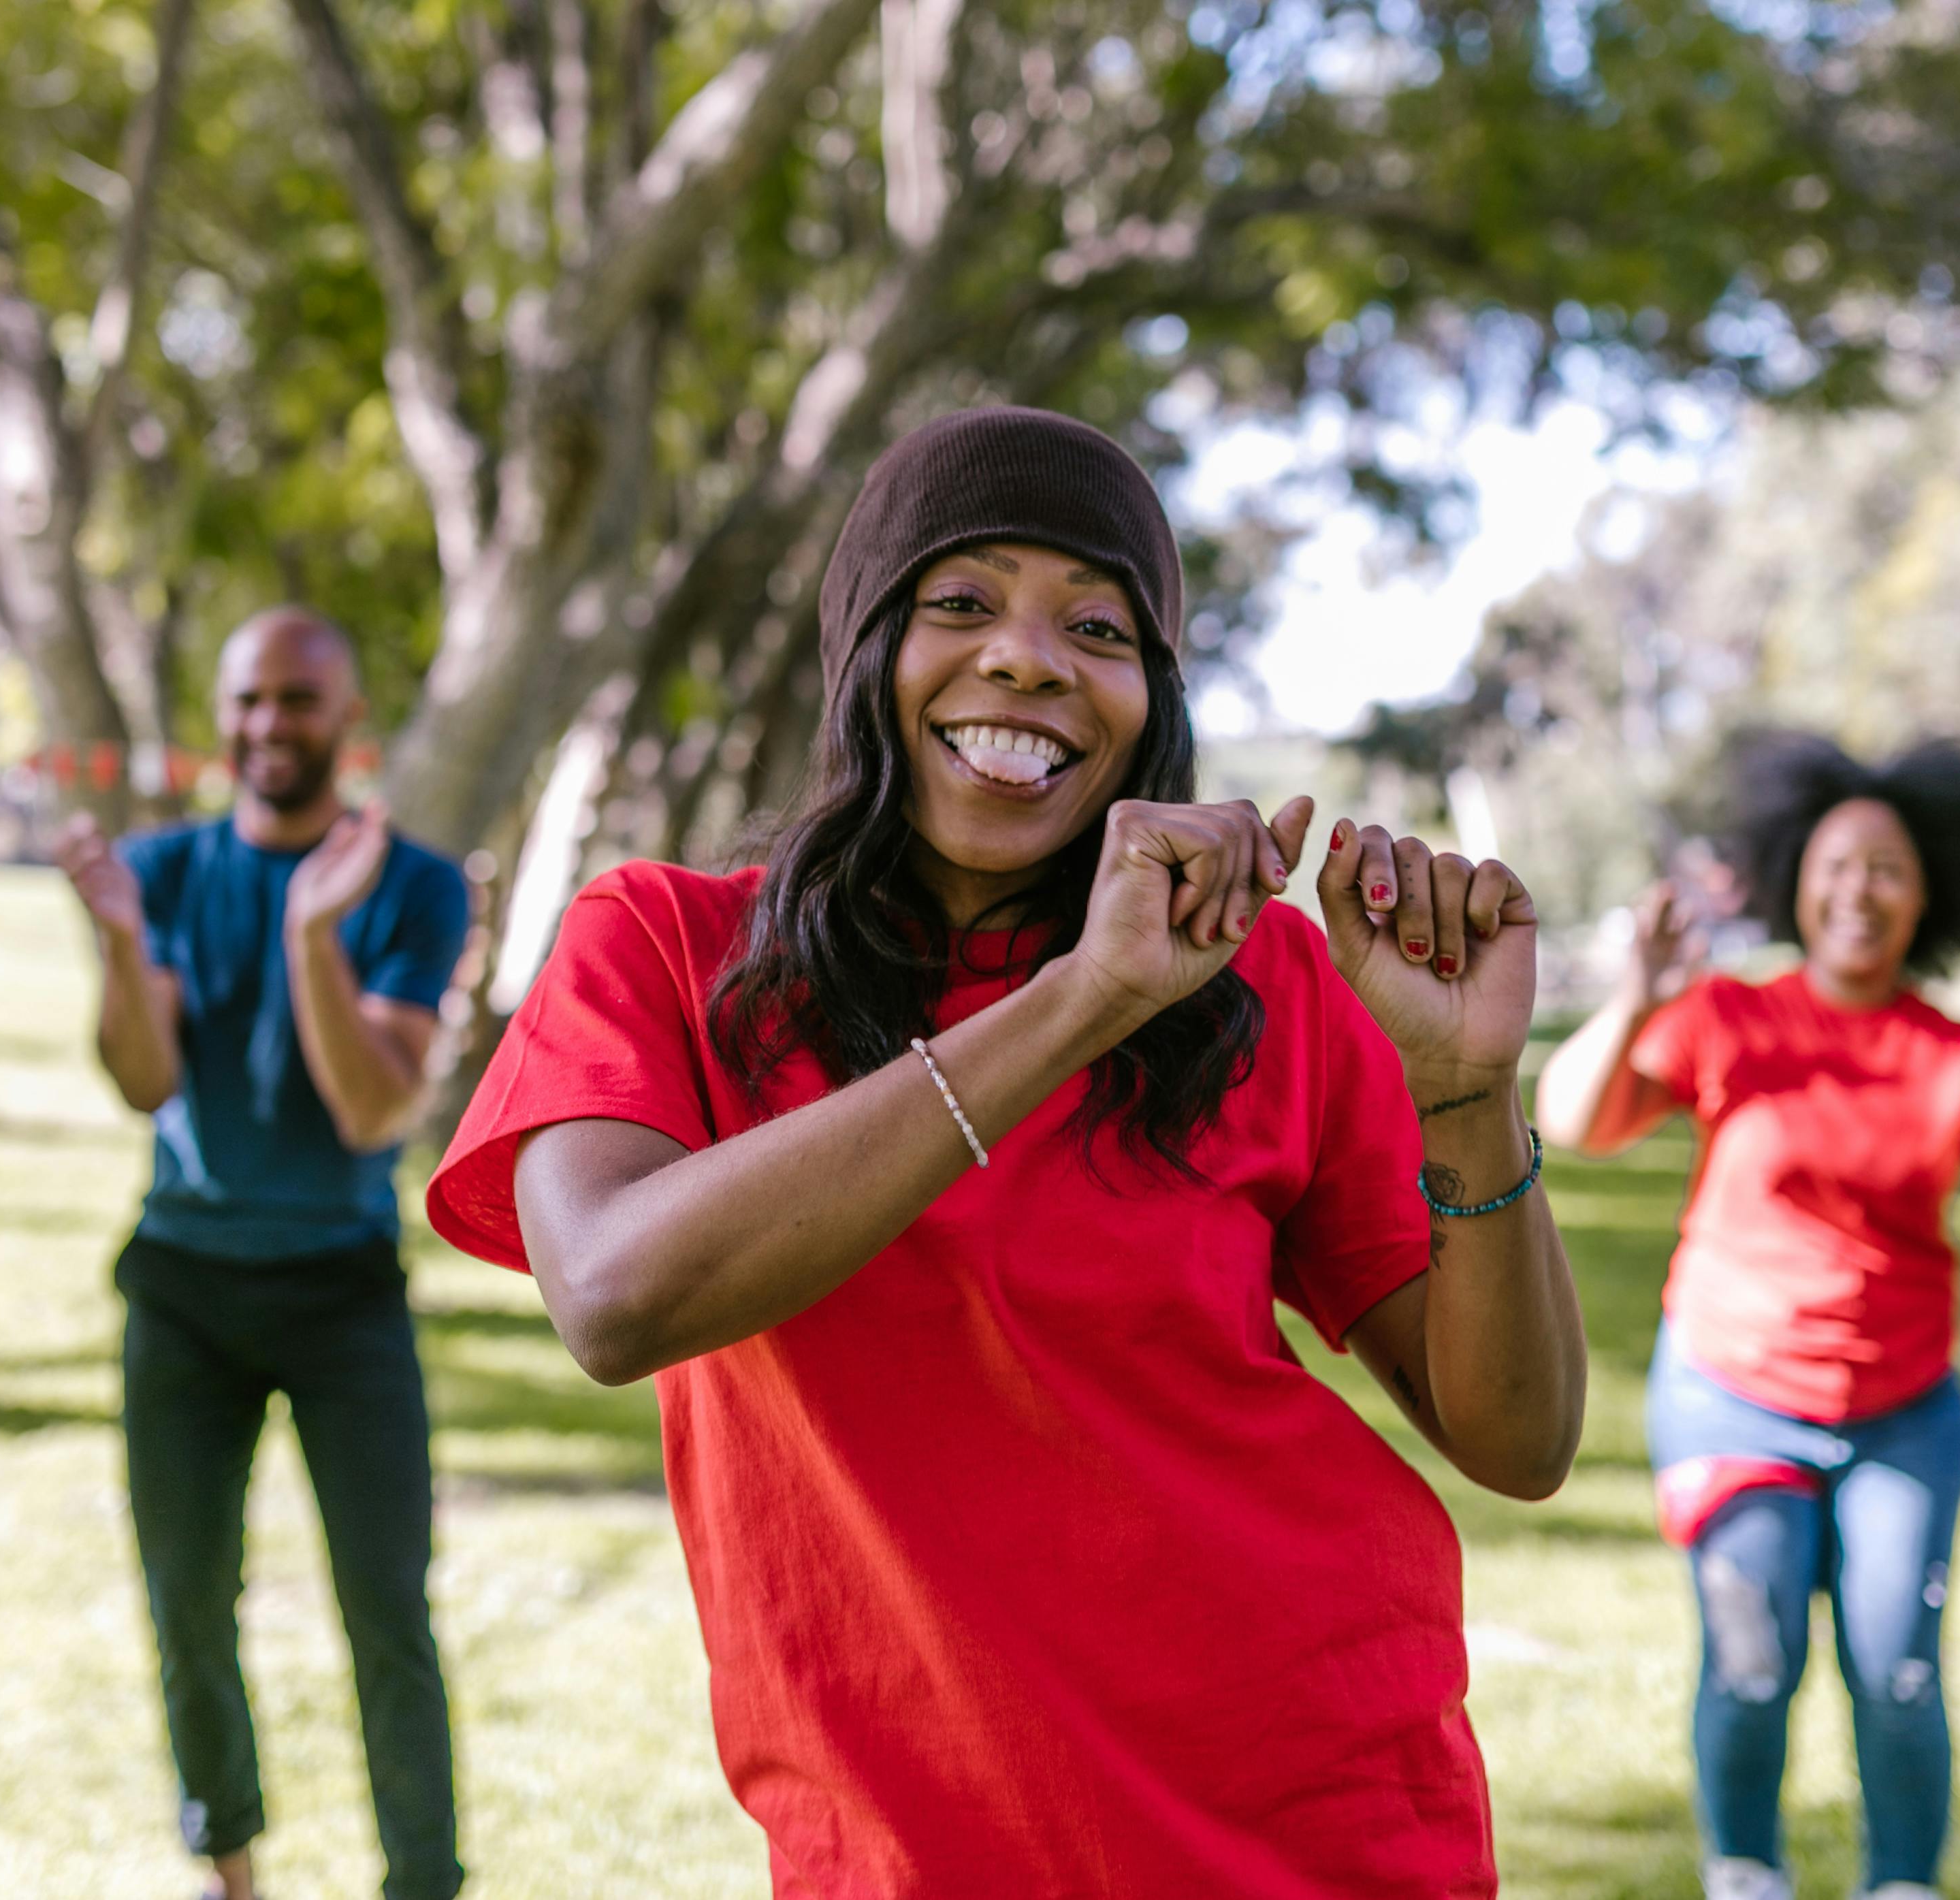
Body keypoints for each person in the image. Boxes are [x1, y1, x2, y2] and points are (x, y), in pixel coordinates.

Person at [425, 406, 1589, 1897]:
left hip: (1315, 1818)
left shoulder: (1263, 987)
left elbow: (1518, 1438)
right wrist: (1079, 1000)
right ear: (862, 657)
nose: (1027, 658)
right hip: (907, 1854)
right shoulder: (662, 945)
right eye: (960, 602)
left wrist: (1464, 1097)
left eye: (1094, 625)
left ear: (1147, 700)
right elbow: (613, 1293)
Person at [1537, 734, 1960, 1900]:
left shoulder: (1947, 1048)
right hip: (1731, 1393)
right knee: (1749, 1663)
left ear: (1927, 890)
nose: (1859, 890)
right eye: (1836, 864)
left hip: (1903, 1410)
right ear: (1796, 876)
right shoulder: (1727, 1016)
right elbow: (1577, 1123)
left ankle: (1902, 1885)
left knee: (1894, 1675)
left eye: (1887, 868)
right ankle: (1745, 1874)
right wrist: (1639, 990)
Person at [59, 608, 470, 1900]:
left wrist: (310, 936)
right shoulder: (166, 873)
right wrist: (122, 940)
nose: (267, 726)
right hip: (182, 1287)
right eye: (248, 700)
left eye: (298, 701)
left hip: (342, 1293)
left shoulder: (413, 884)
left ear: (349, 724)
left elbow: (371, 1111)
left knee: (386, 1615)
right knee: (186, 1603)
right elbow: (140, 1081)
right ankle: (227, 1869)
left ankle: (420, 1881)